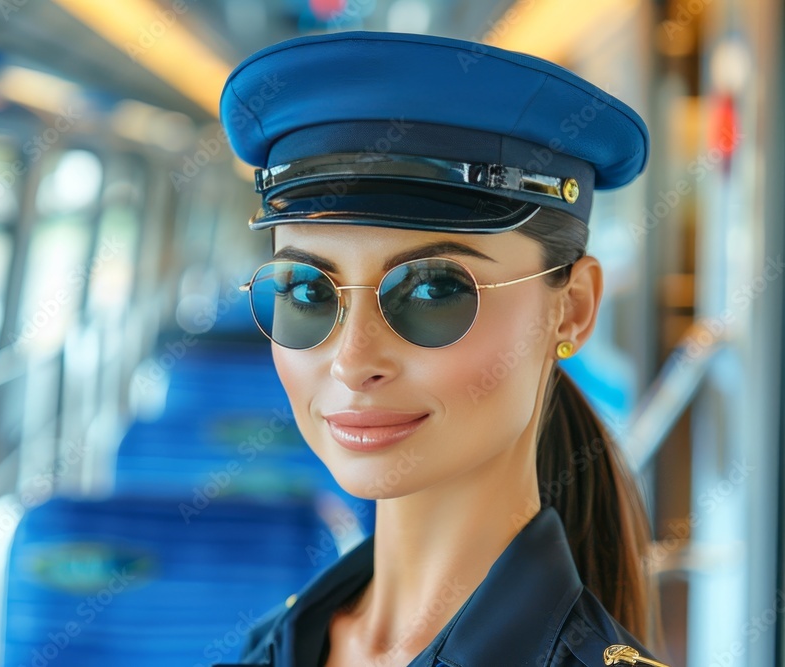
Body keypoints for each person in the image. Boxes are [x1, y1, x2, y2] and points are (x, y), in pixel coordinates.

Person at [213, 31, 668, 667]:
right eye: (308, 291)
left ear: (572, 308)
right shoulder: (270, 646)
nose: (351, 360)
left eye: (432, 291)